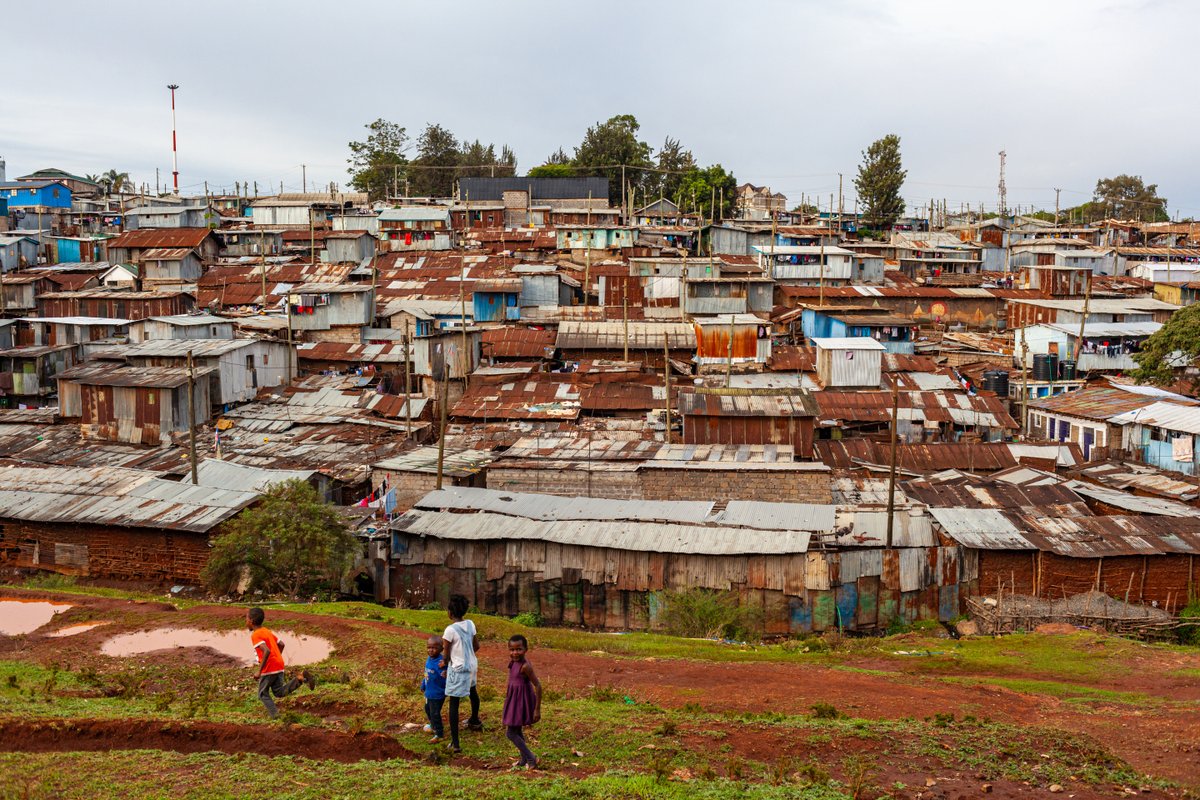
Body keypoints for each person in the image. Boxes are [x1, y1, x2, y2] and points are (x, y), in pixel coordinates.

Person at [246, 607, 315, 719]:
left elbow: (266, 650)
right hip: (279, 665)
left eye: (246, 618)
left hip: (269, 668)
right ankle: (301, 679)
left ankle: (276, 716)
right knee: (278, 692)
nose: (246, 622)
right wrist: (277, 658)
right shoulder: (267, 631)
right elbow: (281, 644)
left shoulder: (256, 635)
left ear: (251, 621)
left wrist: (259, 671)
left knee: (262, 694)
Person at [440, 594, 483, 753]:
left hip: (458, 669)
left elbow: (446, 654)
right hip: (471, 665)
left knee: (454, 702)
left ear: (450, 612)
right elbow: (476, 646)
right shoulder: (470, 624)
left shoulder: (449, 630)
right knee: (473, 692)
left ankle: (455, 743)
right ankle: (475, 720)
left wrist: (445, 662)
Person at [502, 634, 542, 769]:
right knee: (517, 730)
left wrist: (537, 709)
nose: (515, 653)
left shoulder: (525, 667)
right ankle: (524, 758)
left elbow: (538, 685)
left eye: (518, 649)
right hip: (513, 699)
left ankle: (531, 758)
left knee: (510, 733)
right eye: (512, 650)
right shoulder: (513, 662)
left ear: (526, 649)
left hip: (521, 702)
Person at [421, 636, 446, 742]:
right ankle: (433, 726)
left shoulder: (441, 663)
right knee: (428, 709)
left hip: (437, 693)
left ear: (441, 649)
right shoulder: (429, 659)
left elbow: (446, 677)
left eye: (434, 648)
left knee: (435, 713)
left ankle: (439, 734)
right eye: (429, 647)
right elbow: (426, 673)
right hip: (429, 692)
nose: (430, 650)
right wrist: (423, 685)